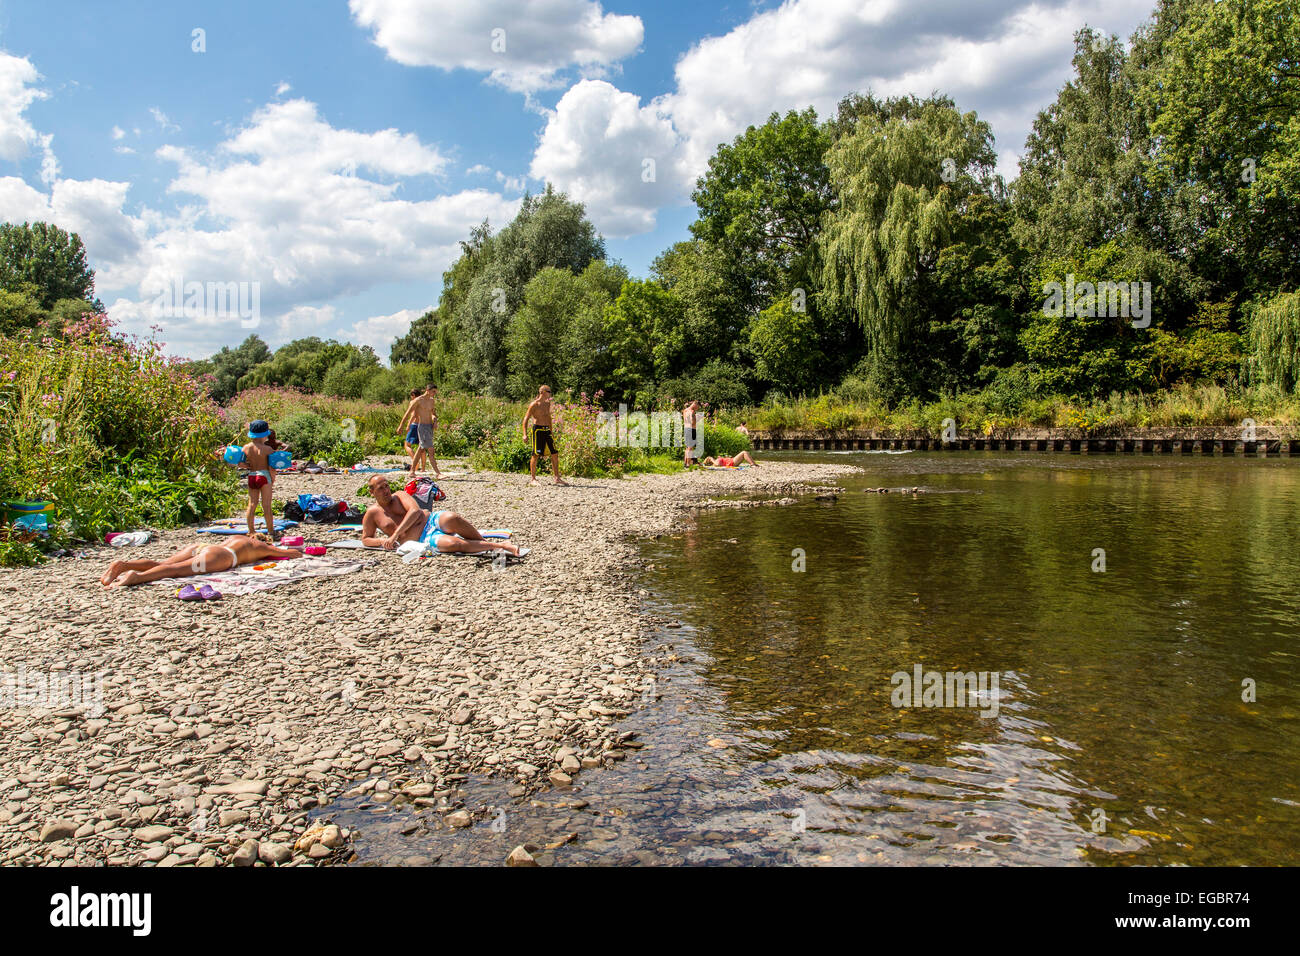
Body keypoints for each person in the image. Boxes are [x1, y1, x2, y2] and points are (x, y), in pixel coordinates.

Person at [360, 475, 521, 556]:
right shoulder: (372, 513)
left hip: (429, 520)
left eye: (387, 486)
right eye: (381, 488)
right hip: (421, 539)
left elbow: (415, 511)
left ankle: (484, 543)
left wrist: (394, 535)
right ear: (372, 492)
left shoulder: (399, 495)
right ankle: (500, 547)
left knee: (452, 518)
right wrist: (382, 541)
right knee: (454, 544)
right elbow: (366, 538)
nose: (386, 491)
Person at [101, 535, 303, 588]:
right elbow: (293, 554)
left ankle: (124, 565)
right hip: (221, 557)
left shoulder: (239, 539)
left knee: (162, 563)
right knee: (174, 570)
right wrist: (278, 550)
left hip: (204, 546)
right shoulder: (259, 546)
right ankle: (136, 577)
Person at [522, 385, 567, 486]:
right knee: (536, 454)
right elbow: (525, 419)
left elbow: (549, 418)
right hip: (538, 430)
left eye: (550, 391)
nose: (550, 393)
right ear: (542, 392)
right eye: (548, 391)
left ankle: (557, 478)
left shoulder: (547, 404)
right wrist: (524, 434)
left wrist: (551, 431)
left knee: (554, 453)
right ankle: (533, 479)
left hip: (547, 430)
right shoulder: (534, 404)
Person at [401, 385, 441, 479]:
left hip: (429, 427)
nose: (434, 394)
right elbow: (409, 413)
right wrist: (402, 426)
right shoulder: (418, 400)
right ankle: (438, 473)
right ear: (427, 390)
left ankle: (412, 471)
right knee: (431, 450)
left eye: (435, 392)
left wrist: (435, 420)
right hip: (421, 426)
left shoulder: (431, 401)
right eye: (433, 391)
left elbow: (433, 413)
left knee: (420, 449)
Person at [397, 387, 421, 465]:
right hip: (422, 424)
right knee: (421, 446)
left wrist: (408, 425)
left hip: (414, 424)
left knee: (407, 445)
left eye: (411, 395)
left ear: (413, 395)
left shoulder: (413, 402)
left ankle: (415, 463)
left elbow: (413, 415)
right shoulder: (422, 401)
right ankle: (423, 467)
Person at [682, 400, 701, 468]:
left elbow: (685, 420)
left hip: (686, 429)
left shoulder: (685, 410)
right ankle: (688, 464)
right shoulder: (692, 412)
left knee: (687, 447)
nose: (697, 409)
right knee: (690, 447)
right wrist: (698, 419)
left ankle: (685, 463)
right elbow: (693, 423)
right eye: (697, 407)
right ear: (695, 404)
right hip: (691, 429)